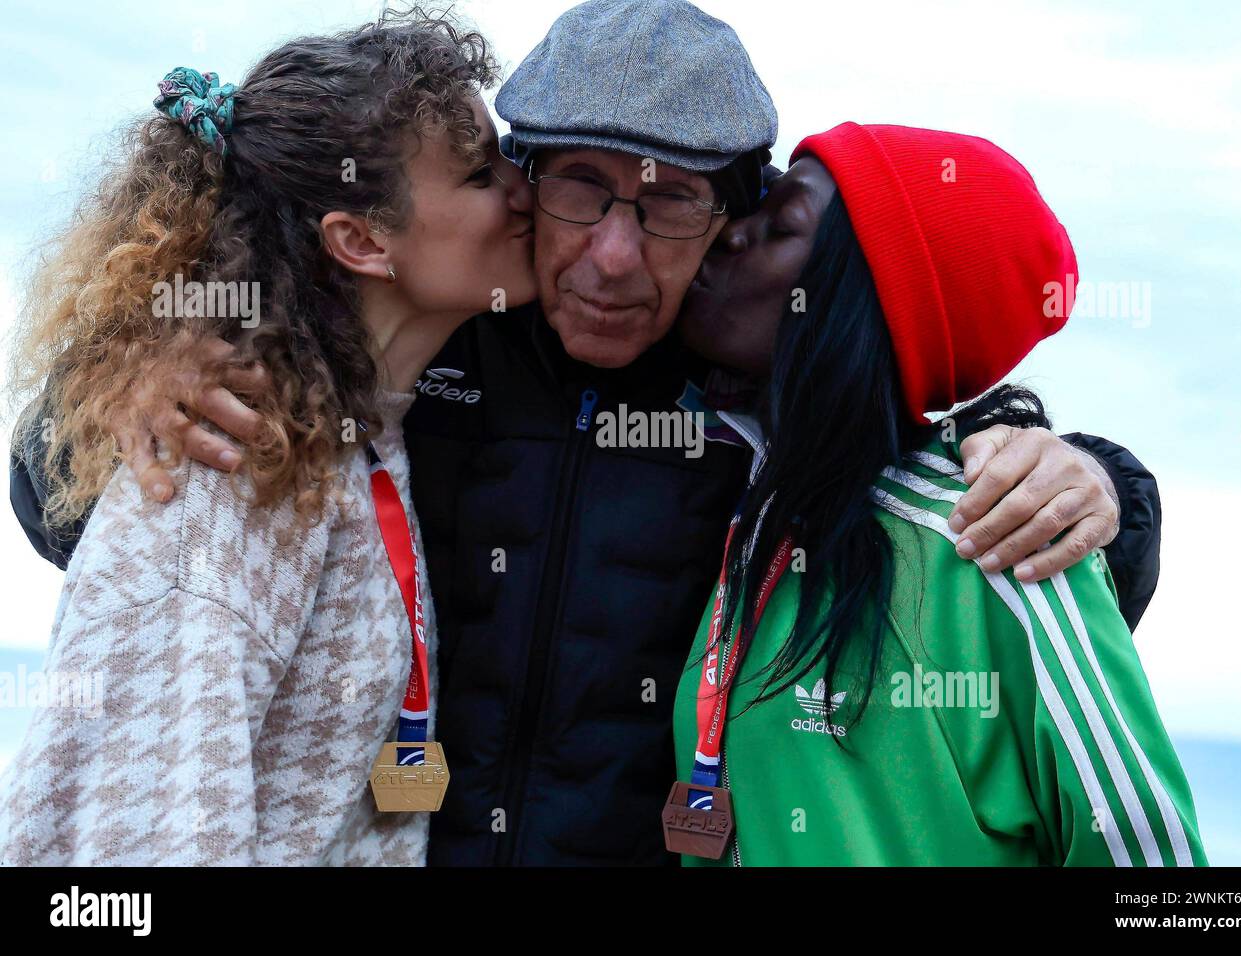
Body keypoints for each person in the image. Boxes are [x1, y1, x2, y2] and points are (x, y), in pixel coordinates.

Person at [9, 0, 1161, 866]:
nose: (613, 255)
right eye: (580, 188)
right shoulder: (438, 338)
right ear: (520, 178)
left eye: (667, 204)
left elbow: (922, 442)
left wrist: (1093, 476)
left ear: (731, 217)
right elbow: (82, 515)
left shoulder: (751, 395)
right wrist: (121, 396)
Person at [0, 12, 536, 865]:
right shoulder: (221, 457)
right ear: (361, 240)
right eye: (480, 173)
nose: (524, 188)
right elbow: (143, 853)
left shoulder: (359, 423)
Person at [668, 123, 1204, 866]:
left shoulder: (995, 543)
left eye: (779, 224)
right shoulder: (758, 510)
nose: (732, 234)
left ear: (858, 307)